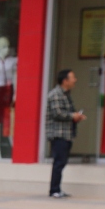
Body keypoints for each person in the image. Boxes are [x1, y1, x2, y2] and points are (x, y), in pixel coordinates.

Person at [44, 69, 86, 199]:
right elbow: (58, 113)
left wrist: (76, 117)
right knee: (59, 162)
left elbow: (66, 113)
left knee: (61, 162)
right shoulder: (56, 94)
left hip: (66, 133)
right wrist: (73, 116)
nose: (75, 80)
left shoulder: (65, 94)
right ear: (65, 81)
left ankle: (57, 189)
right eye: (73, 78)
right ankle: (54, 190)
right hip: (59, 134)